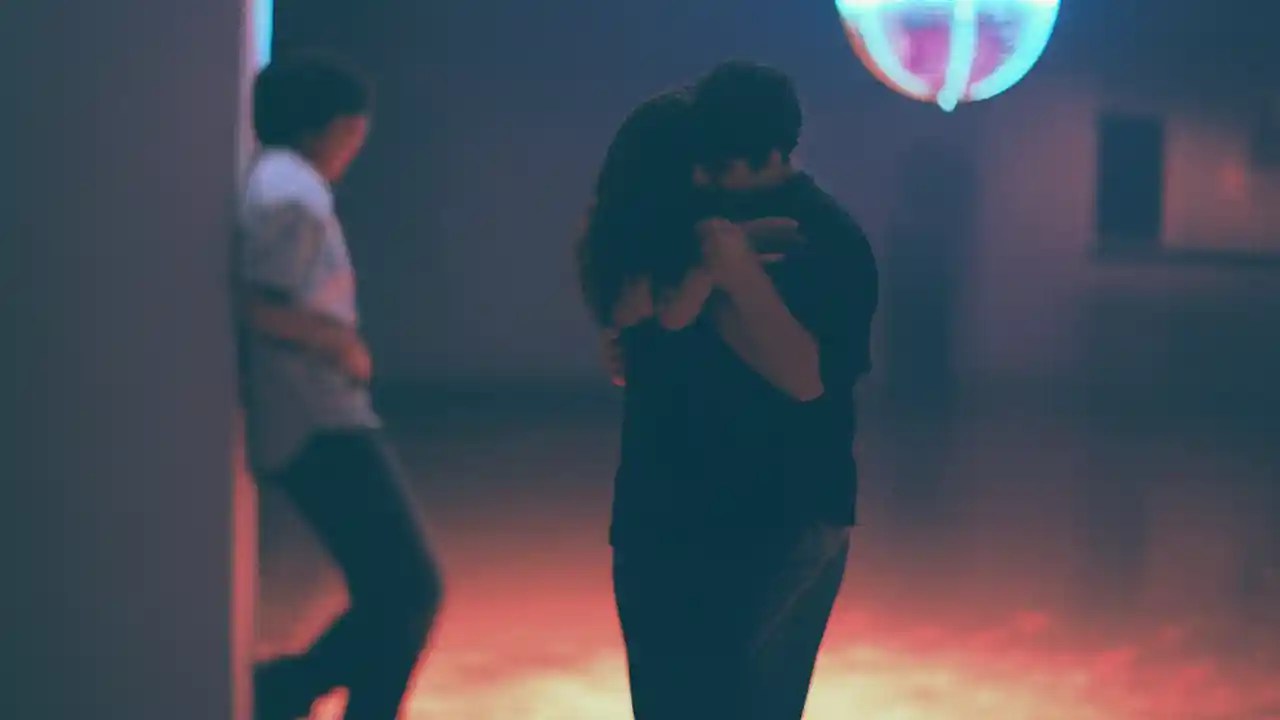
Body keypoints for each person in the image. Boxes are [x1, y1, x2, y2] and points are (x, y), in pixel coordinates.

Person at [584, 62, 879, 719]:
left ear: (772, 154)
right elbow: (640, 344)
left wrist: (737, 273)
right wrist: (723, 267)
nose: (704, 177)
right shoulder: (678, 217)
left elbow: (807, 381)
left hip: (779, 518)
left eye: (721, 163)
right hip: (667, 520)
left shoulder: (825, 238)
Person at [238, 54, 443, 720]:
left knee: (395, 589)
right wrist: (341, 345)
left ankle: (287, 691)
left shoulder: (281, 185)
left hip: (316, 412)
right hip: (315, 417)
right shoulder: (290, 194)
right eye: (354, 133)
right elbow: (260, 305)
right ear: (334, 127)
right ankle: (285, 690)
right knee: (410, 588)